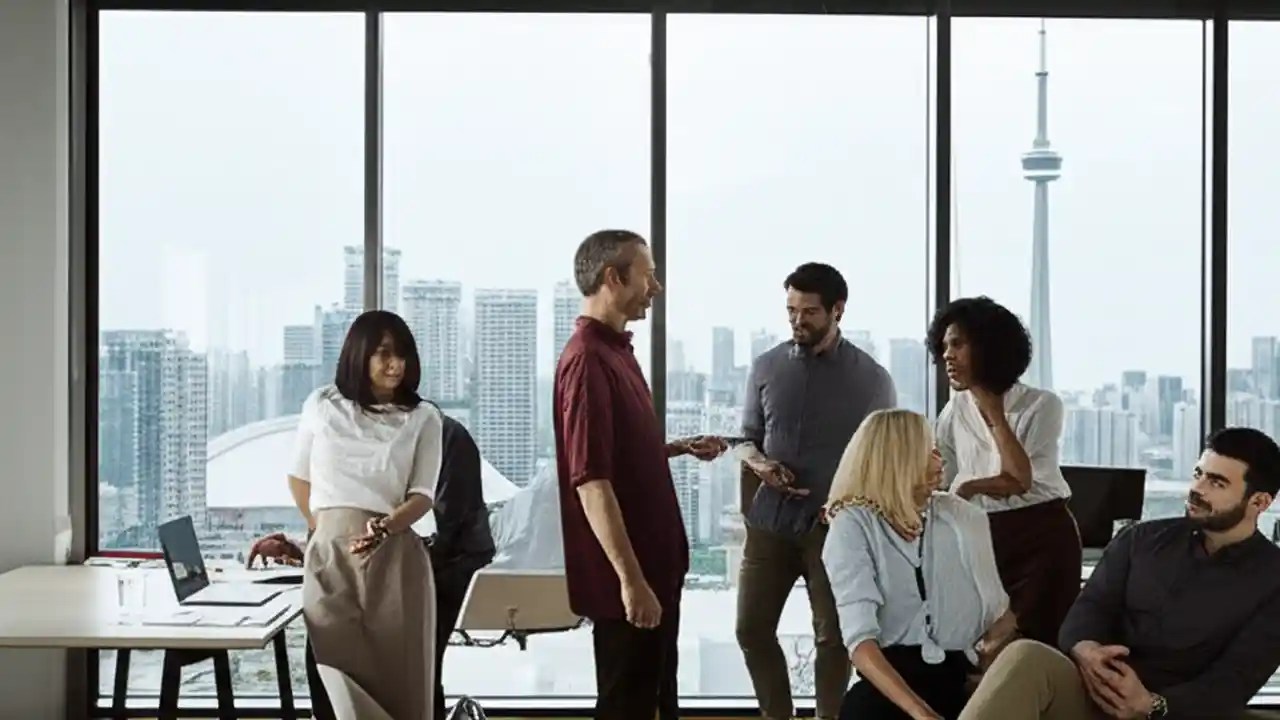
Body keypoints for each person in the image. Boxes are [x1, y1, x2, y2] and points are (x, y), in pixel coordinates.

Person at [960, 427, 1280, 720]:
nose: (1197, 489)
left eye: (1217, 482)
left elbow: (1235, 681)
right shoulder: (1140, 540)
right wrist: (1086, 650)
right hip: (1097, 694)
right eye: (1199, 474)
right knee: (1025, 655)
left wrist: (1151, 704)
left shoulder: (1273, 579)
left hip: (1176, 712)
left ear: (1259, 502)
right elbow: (1089, 608)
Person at [554, 229, 726, 720]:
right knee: (629, 706)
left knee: (653, 701)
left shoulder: (615, 352)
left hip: (654, 570)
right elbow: (591, 481)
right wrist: (631, 581)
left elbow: (615, 455)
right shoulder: (588, 360)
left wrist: (671, 449)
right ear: (614, 277)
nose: (657, 287)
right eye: (648, 275)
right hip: (632, 580)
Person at [252, 406, 494, 720]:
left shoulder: (440, 434)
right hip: (381, 567)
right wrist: (302, 550)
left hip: (442, 569)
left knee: (407, 672)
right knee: (324, 648)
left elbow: (450, 535)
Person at [736, 262, 897, 720]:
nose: (797, 320)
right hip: (769, 525)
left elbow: (882, 459)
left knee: (834, 638)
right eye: (790, 310)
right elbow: (746, 438)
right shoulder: (766, 366)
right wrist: (761, 464)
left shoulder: (872, 379)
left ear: (837, 311)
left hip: (835, 530)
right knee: (751, 630)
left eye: (808, 311)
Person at [289, 310, 440, 720]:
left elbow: (422, 496)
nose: (396, 364)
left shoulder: (424, 417)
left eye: (402, 354)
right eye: (384, 354)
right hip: (330, 560)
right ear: (359, 355)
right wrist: (327, 532)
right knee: (336, 680)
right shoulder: (322, 405)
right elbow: (299, 479)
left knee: (403, 688)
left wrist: (384, 527)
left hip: (396, 559)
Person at [823, 409, 1016, 720]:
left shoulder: (961, 516)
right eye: (928, 449)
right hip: (892, 685)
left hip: (960, 679)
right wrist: (922, 714)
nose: (939, 458)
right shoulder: (854, 523)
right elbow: (861, 643)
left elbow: (1000, 618)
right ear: (899, 457)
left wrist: (987, 675)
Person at [928, 296, 1080, 646]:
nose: (947, 355)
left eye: (958, 344)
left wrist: (993, 413)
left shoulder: (1041, 405)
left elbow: (1018, 480)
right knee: (982, 644)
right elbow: (942, 477)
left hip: (1040, 535)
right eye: (944, 346)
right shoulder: (954, 411)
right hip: (983, 536)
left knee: (1035, 644)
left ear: (988, 348)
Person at [425, 410, 496, 720]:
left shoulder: (442, 434)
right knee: (423, 666)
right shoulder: (443, 431)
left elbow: (449, 518)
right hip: (452, 555)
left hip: (453, 561)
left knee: (421, 664)